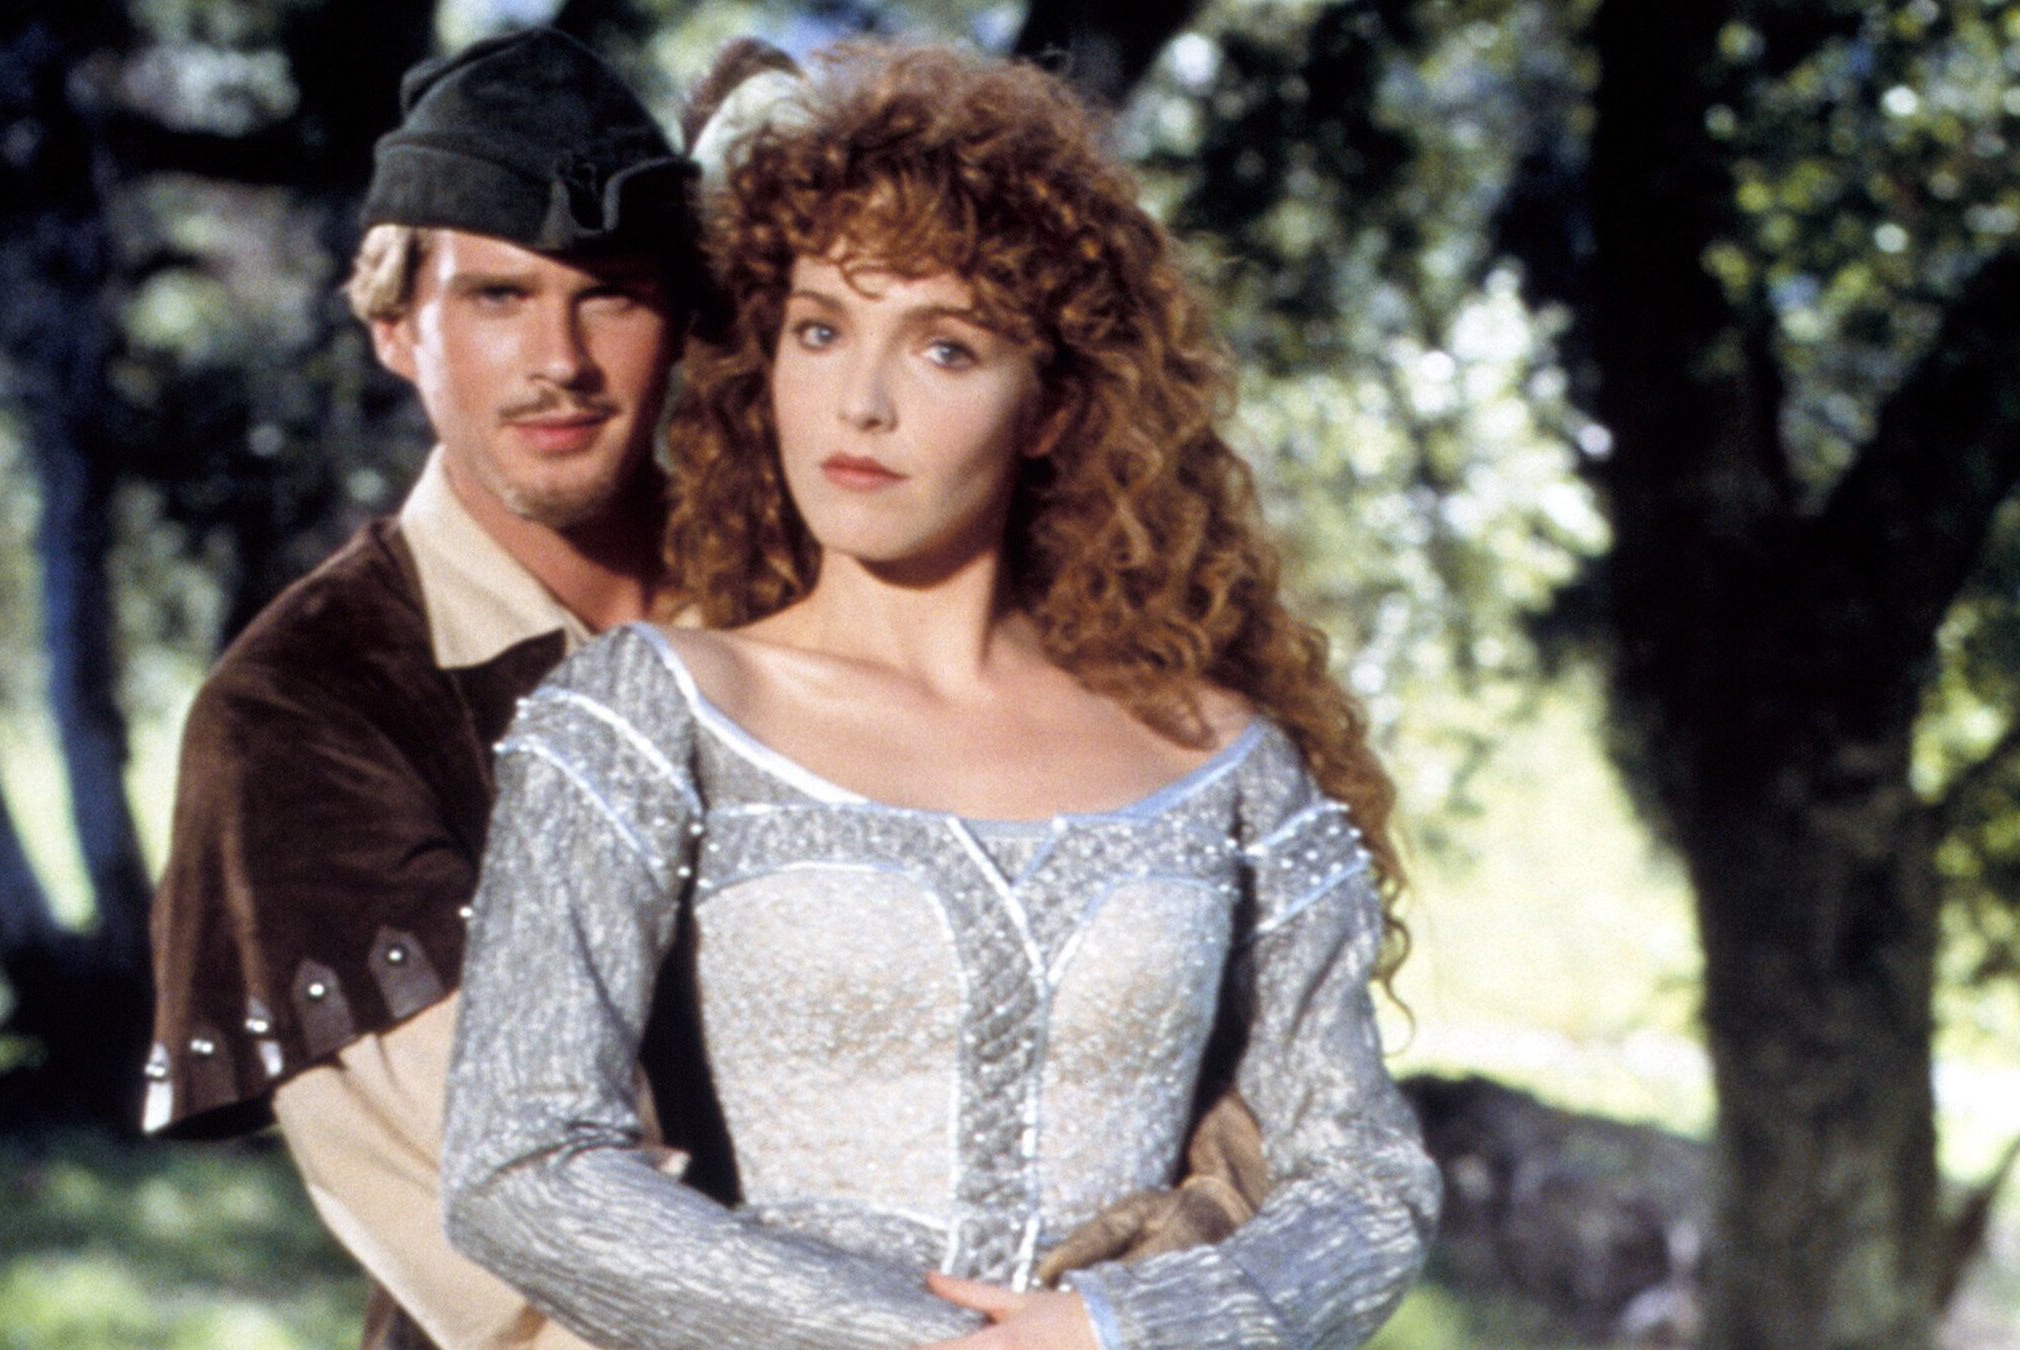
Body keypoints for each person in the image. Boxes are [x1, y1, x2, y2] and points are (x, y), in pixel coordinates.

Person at [440, 41, 1441, 1350]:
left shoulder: (1225, 761)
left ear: (1051, 408)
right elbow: (519, 1168)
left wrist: (1120, 1328)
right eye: (820, 330)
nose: (860, 403)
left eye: (946, 349)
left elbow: (1367, 1191)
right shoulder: (652, 715)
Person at [140, 29, 707, 1350]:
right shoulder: (299, 711)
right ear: (397, 327)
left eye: (611, 295)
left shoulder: (825, 596)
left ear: (680, 318)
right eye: (499, 296)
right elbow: (542, 1267)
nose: (561, 359)